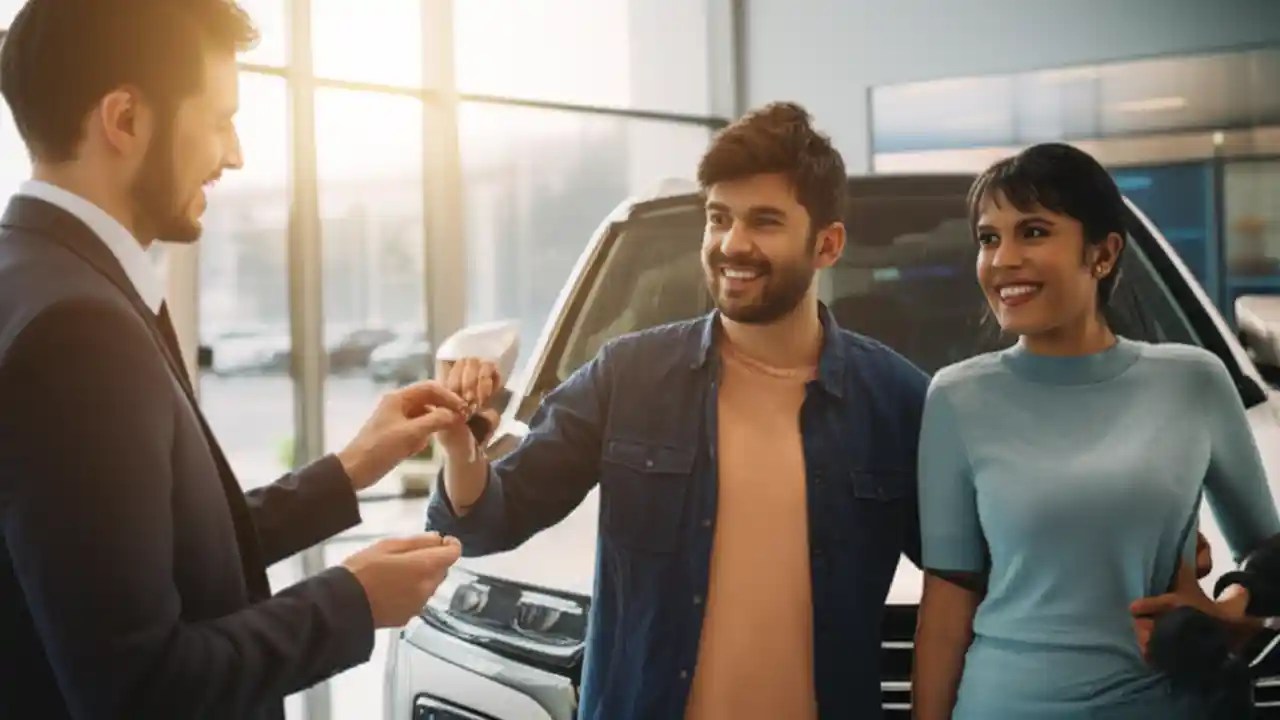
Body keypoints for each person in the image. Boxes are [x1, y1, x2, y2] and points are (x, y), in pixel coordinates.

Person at [0, 2, 466, 718]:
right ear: (124, 120)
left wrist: (345, 473)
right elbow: (138, 687)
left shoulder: (35, 279)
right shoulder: (79, 330)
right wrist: (350, 602)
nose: (235, 153)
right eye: (219, 118)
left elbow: (146, 557)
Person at [427, 102, 929, 719]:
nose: (732, 244)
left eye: (764, 222)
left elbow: (976, 576)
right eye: (719, 218)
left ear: (826, 244)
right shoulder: (627, 377)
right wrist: (459, 447)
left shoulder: (898, 402)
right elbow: (486, 523)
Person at [910, 142, 1280, 720]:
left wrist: (1231, 609)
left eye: (1032, 232)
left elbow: (1269, 550)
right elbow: (948, 601)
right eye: (988, 238)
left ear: (1102, 253)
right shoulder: (957, 397)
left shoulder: (1194, 381)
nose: (1003, 259)